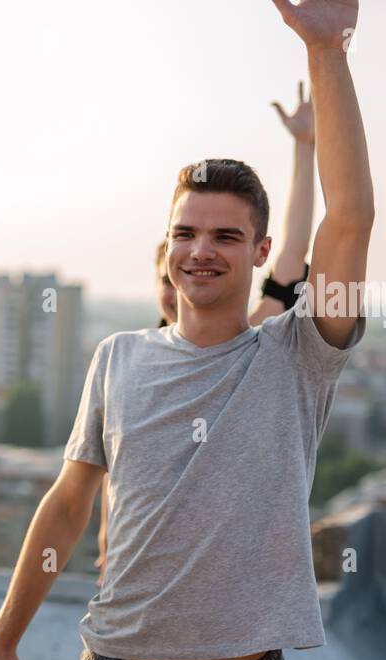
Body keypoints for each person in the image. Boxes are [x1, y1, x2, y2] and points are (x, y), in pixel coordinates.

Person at [0, 0, 373, 660]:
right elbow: (66, 511)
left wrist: (327, 54)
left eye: (226, 235)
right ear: (166, 245)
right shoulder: (116, 358)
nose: (201, 251)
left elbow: (351, 219)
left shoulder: (297, 356)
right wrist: (2, 639)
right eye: (186, 232)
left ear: (261, 251)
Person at [100, 81, 317, 583]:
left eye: (219, 243)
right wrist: (107, 542)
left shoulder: (254, 342)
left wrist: (304, 149)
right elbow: (109, 474)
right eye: (167, 276)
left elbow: (291, 254)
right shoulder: (126, 361)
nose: (196, 263)